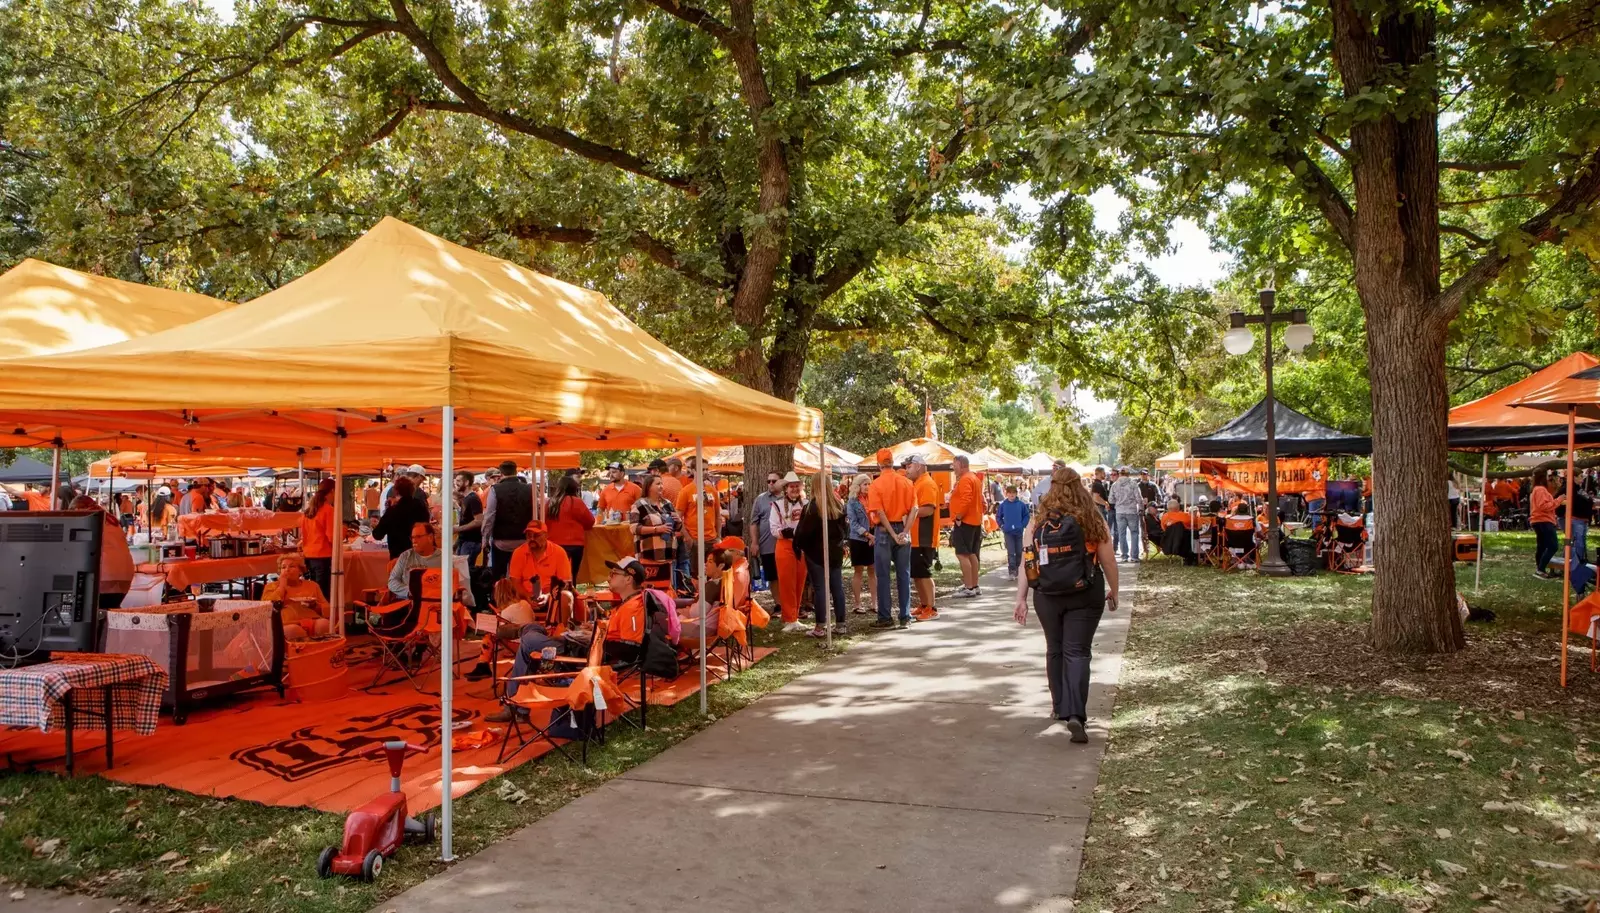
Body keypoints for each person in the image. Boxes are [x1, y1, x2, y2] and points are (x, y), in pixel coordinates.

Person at [1012, 467, 1119, 744]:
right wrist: (1114, 591)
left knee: (1055, 648)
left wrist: (1021, 598)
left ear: (1052, 486)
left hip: (1047, 595)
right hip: (1085, 592)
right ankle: (1077, 714)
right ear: (1080, 486)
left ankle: (1059, 705)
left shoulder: (1038, 522)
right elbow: (1107, 560)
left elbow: (1027, 561)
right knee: (1078, 652)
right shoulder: (1092, 518)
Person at [795, 470, 849, 637]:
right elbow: (844, 530)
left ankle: (820, 626)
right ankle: (841, 624)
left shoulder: (812, 507)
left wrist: (798, 545)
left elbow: (803, 533)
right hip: (834, 552)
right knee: (836, 587)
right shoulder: (838, 505)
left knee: (820, 588)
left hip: (816, 553)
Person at [867, 448, 915, 629]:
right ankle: (905, 616)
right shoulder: (906, 482)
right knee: (904, 573)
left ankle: (885, 617)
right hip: (902, 528)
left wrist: (892, 533)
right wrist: (905, 531)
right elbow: (914, 510)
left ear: (879, 464)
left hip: (884, 531)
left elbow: (879, 512)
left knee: (883, 575)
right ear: (892, 462)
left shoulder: (876, 485)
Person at [464, 577, 539, 682]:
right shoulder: (525, 604)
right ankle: (482, 666)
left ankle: (483, 665)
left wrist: (498, 616)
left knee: (489, 636)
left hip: (520, 645)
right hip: (532, 642)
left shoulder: (507, 611)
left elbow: (502, 632)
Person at [72, 496, 132, 609]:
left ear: (78, 508)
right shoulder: (109, 519)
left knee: (96, 614)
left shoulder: (89, 520)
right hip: (125, 576)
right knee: (110, 611)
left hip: (105, 578)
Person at [506, 521, 574, 623]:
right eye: (529, 536)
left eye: (536, 535)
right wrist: (527, 596)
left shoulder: (559, 552)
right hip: (525, 599)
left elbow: (565, 583)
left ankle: (560, 630)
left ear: (546, 535)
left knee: (566, 596)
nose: (532, 539)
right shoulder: (518, 553)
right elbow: (515, 582)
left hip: (552, 597)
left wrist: (548, 596)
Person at [769, 471, 809, 632]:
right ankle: (789, 617)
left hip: (802, 545)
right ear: (786, 488)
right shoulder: (777, 505)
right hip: (784, 544)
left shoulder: (806, 504)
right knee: (786, 582)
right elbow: (773, 528)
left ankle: (794, 616)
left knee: (800, 580)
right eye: (791, 486)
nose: (794, 489)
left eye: (796, 486)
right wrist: (784, 532)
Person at [480, 461, 533, 579]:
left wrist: (485, 539)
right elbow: (536, 513)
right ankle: (525, 596)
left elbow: (489, 516)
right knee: (524, 576)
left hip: (501, 540)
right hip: (524, 539)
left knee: (500, 577)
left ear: (501, 473)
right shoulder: (529, 489)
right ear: (516, 471)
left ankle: (499, 596)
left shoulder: (495, 489)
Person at [905, 455, 941, 620]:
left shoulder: (927, 484)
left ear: (918, 466)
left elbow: (928, 509)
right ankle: (924, 604)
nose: (907, 470)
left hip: (924, 537)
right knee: (917, 573)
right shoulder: (918, 483)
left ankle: (932, 608)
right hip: (916, 537)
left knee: (924, 573)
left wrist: (908, 512)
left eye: (909, 467)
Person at [675, 456, 722, 584]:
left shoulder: (712, 490)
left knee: (715, 573)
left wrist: (719, 536)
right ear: (694, 471)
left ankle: (712, 599)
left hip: (712, 538)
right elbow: (677, 517)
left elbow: (718, 515)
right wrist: (688, 538)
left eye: (707, 469)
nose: (705, 472)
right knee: (696, 574)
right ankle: (698, 600)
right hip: (694, 538)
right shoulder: (686, 491)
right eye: (702, 469)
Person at [262, 553, 330, 640]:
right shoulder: (271, 586)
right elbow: (267, 609)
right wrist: (282, 586)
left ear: (300, 571)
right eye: (283, 567)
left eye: (292, 566)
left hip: (312, 620)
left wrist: (315, 606)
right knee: (294, 630)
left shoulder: (312, 585)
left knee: (324, 624)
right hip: (287, 623)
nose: (287, 570)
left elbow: (327, 609)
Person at [949, 455, 984, 598]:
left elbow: (966, 499)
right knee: (971, 554)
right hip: (975, 520)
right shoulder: (974, 478)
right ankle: (974, 585)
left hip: (965, 521)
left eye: (954, 465)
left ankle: (969, 587)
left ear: (961, 464)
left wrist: (958, 516)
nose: (953, 468)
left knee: (962, 554)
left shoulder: (965, 479)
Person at [371, 476, 431, 560]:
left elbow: (378, 535)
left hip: (398, 557)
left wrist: (375, 525)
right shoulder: (421, 507)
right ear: (412, 490)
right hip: (420, 555)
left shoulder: (392, 511)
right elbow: (427, 526)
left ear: (396, 491)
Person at [546, 473, 596, 574]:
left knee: (555, 575)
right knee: (571, 575)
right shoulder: (576, 502)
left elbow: (544, 522)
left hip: (553, 544)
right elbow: (590, 521)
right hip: (575, 544)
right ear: (574, 488)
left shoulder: (550, 503)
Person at [846, 473, 876, 615]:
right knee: (858, 571)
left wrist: (874, 535)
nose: (867, 487)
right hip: (858, 538)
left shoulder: (873, 499)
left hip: (873, 537)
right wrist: (867, 534)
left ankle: (874, 603)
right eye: (865, 484)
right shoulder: (852, 502)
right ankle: (857, 604)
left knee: (872, 570)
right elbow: (853, 523)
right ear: (858, 486)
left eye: (869, 484)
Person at [301, 478, 337, 598]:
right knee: (322, 595)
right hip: (323, 555)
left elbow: (304, 535)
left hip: (309, 556)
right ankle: (323, 616)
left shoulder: (308, 511)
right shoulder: (329, 510)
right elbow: (332, 536)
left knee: (313, 593)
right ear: (332, 491)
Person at [631, 476, 678, 565]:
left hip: (668, 554)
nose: (661, 486)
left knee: (668, 578)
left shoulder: (667, 503)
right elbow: (634, 528)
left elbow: (677, 528)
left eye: (661, 484)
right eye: (657, 484)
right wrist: (657, 529)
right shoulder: (639, 505)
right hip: (649, 555)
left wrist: (678, 521)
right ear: (648, 487)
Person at [750, 471, 784, 590]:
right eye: (768, 481)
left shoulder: (788, 498)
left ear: (781, 482)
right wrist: (754, 542)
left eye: (774, 481)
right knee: (772, 577)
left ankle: (788, 604)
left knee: (785, 576)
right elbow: (754, 522)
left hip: (786, 545)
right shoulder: (760, 499)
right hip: (767, 546)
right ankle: (779, 604)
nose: (770, 483)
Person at [1531, 468, 1563, 579]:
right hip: (1544, 520)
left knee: (1542, 546)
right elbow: (1544, 506)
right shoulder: (1540, 490)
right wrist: (1559, 500)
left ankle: (1540, 569)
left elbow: (1546, 501)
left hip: (1539, 520)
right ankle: (1540, 568)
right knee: (1553, 546)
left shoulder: (1537, 489)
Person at [1108, 466, 1144, 563]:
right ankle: (1134, 556)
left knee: (1121, 534)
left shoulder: (1114, 485)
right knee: (1134, 533)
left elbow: (1110, 500)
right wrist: (1141, 508)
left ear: (1120, 474)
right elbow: (1139, 498)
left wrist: (1118, 502)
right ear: (1128, 474)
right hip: (1132, 511)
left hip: (1119, 511)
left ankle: (1124, 555)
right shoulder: (1133, 484)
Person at [997, 484, 1031, 579]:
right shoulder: (1003, 505)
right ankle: (1012, 571)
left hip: (1018, 531)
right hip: (1008, 532)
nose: (1012, 495)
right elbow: (998, 517)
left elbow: (1026, 515)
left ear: (1016, 494)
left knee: (1019, 551)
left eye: (1013, 493)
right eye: (1010, 493)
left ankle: (1018, 569)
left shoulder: (1021, 505)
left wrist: (1022, 525)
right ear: (1006, 494)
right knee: (1011, 552)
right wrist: (1002, 525)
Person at [453, 470, 485, 556]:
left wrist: (458, 529)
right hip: (465, 541)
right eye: (455, 481)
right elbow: (467, 519)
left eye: (458, 481)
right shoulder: (466, 498)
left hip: (471, 542)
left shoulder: (473, 498)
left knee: (466, 569)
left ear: (466, 482)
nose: (456, 483)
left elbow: (479, 521)